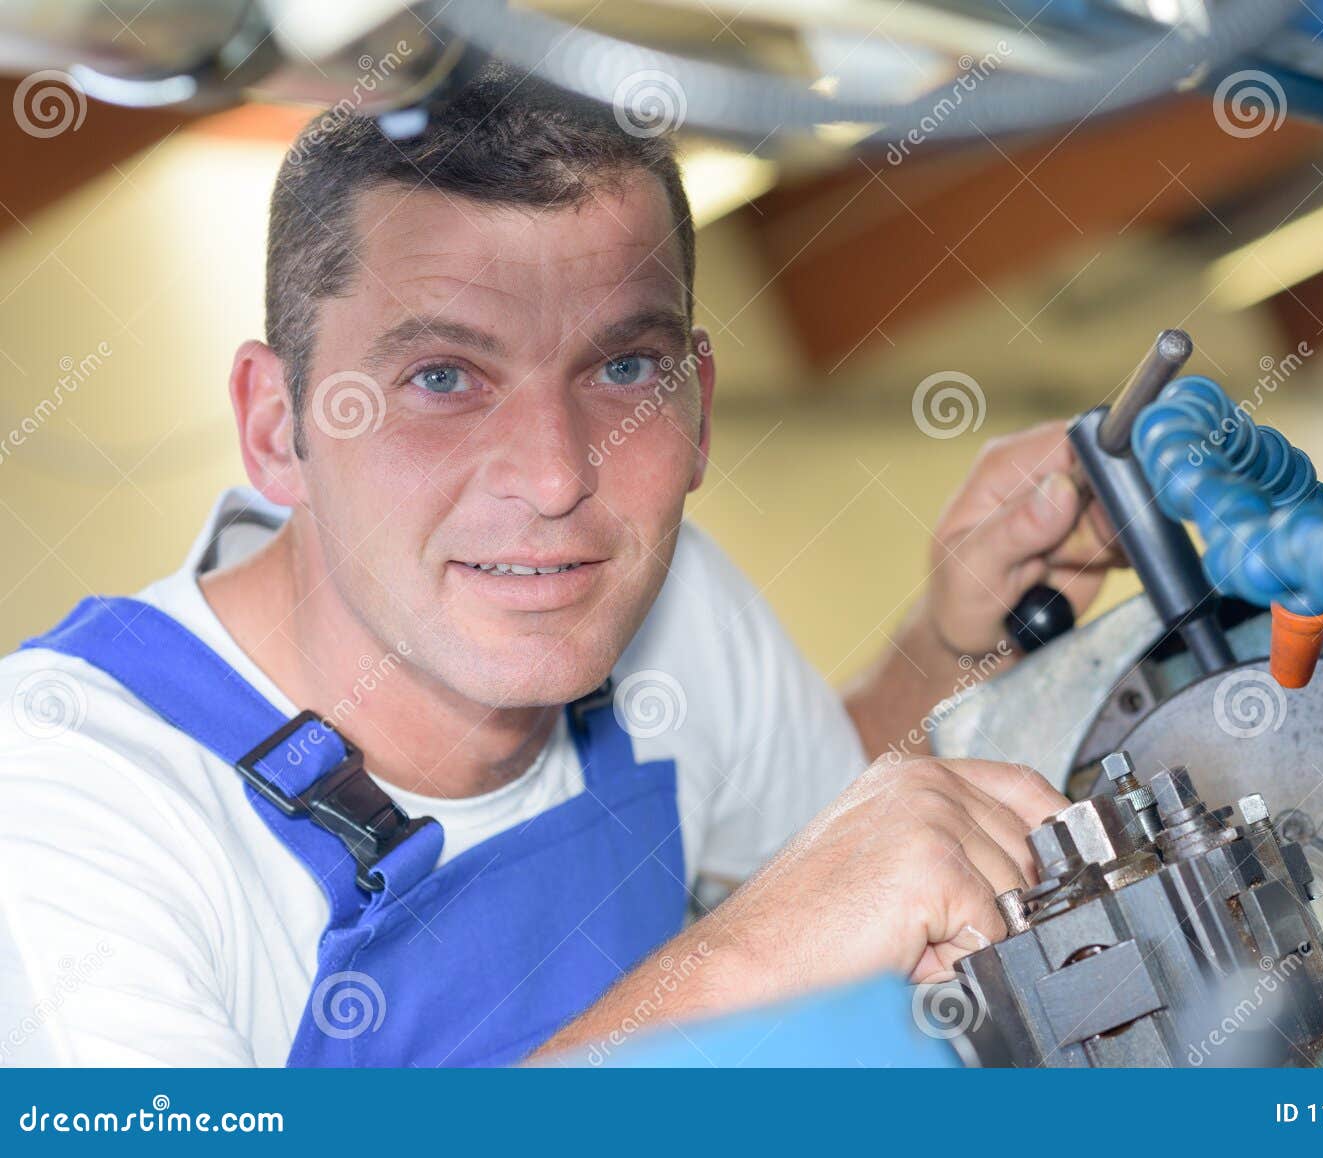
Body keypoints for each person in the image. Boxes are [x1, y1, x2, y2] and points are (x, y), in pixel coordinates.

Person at [0, 67, 1116, 1066]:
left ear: (700, 408)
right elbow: (792, 916)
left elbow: (827, 845)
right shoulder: (68, 798)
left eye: (624, 366)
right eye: (443, 377)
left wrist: (953, 647)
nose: (553, 479)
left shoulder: (672, 610)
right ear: (275, 426)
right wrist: (735, 968)